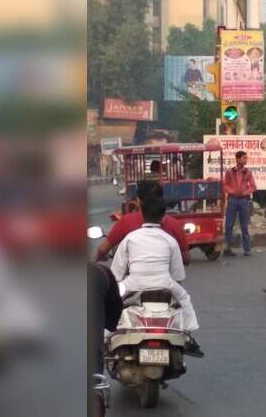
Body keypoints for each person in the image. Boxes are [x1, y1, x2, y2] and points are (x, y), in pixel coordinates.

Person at [110, 195, 203, 357]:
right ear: (163, 215)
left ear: (141, 213)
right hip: (165, 284)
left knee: (110, 300)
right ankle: (188, 336)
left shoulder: (130, 238)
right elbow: (178, 275)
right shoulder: (169, 240)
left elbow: (116, 273)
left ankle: (106, 334)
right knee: (184, 298)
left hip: (133, 284)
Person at [94, 180, 189, 265]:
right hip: (167, 281)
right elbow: (186, 259)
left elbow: (103, 249)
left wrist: (98, 257)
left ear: (138, 201)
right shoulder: (174, 224)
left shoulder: (126, 221)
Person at [222, 150, 256, 257]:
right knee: (228, 225)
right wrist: (232, 191)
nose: (245, 160)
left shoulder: (248, 172)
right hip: (232, 199)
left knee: (244, 225)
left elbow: (253, 186)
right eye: (244, 158)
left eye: (246, 158)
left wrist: (244, 192)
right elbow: (225, 185)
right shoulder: (229, 172)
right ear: (237, 159)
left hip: (244, 200)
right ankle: (227, 248)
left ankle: (247, 249)